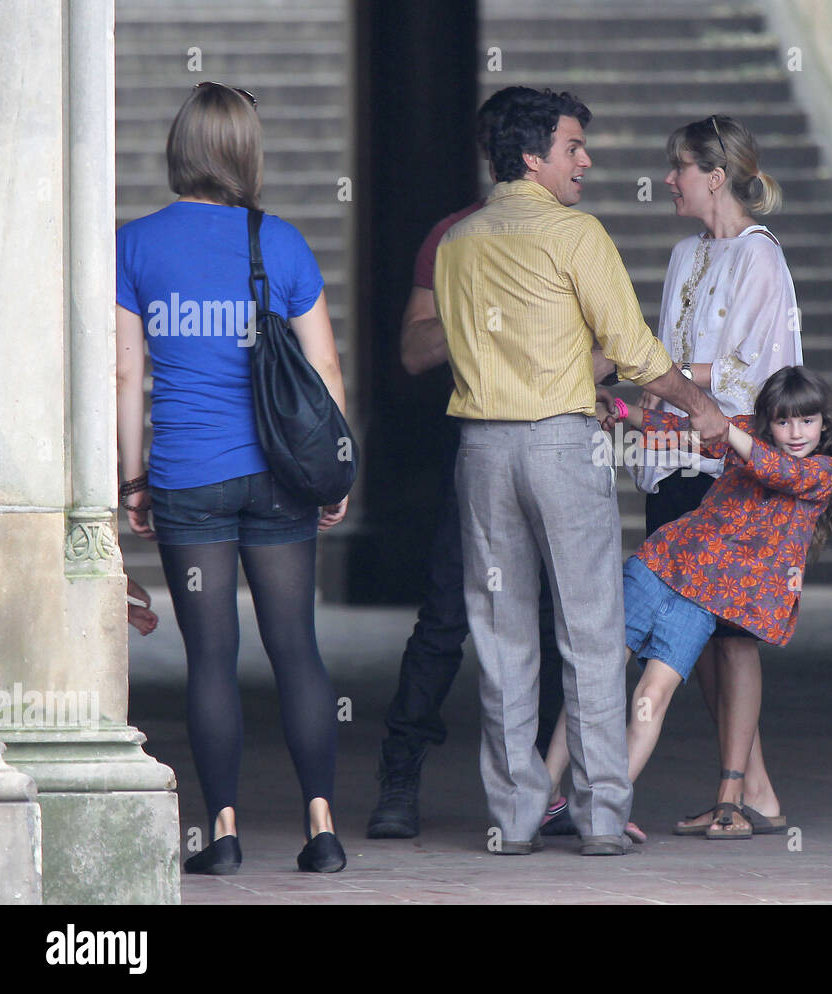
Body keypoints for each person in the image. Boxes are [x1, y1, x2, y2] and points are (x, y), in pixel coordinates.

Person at [434, 88, 727, 856]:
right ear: (532, 157)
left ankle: (517, 817)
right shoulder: (576, 235)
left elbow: (487, 348)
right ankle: (599, 815)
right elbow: (632, 347)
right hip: (564, 447)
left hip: (483, 451)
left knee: (501, 639)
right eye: (573, 148)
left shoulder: (458, 243)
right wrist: (696, 404)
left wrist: (567, 381)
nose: (585, 161)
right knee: (592, 632)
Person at [116, 82, 349, 874]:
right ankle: (322, 829)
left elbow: (123, 371)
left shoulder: (136, 244)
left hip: (187, 480)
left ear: (180, 148)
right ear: (247, 152)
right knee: (297, 650)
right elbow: (323, 364)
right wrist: (335, 466)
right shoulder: (278, 241)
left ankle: (221, 834)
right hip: (281, 477)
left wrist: (131, 479)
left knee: (210, 660)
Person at [368, 85, 597, 840]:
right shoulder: (454, 238)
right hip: (475, 445)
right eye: (568, 149)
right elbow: (411, 349)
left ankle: (542, 792)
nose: (579, 163)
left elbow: (606, 348)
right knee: (444, 621)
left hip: (554, 443)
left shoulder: (569, 236)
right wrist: (484, 329)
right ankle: (400, 777)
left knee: (561, 619)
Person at [543, 366, 832, 835]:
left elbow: (776, 469)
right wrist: (618, 408)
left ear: (825, 425)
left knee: (651, 697)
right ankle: (545, 795)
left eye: (807, 421)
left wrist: (729, 432)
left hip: (704, 604)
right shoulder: (743, 436)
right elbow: (676, 430)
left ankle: (600, 813)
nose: (796, 433)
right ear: (766, 423)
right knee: (596, 672)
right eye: (782, 422)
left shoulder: (820, 471)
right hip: (660, 565)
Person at [638, 115, 803, 840]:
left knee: (732, 634)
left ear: (713, 175)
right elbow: (671, 353)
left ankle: (741, 792)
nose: (668, 180)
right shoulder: (684, 255)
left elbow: (757, 373)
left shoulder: (762, 258)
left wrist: (660, 375)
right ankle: (754, 788)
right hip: (676, 461)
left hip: (731, 469)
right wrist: (656, 382)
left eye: (678, 167)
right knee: (692, 633)